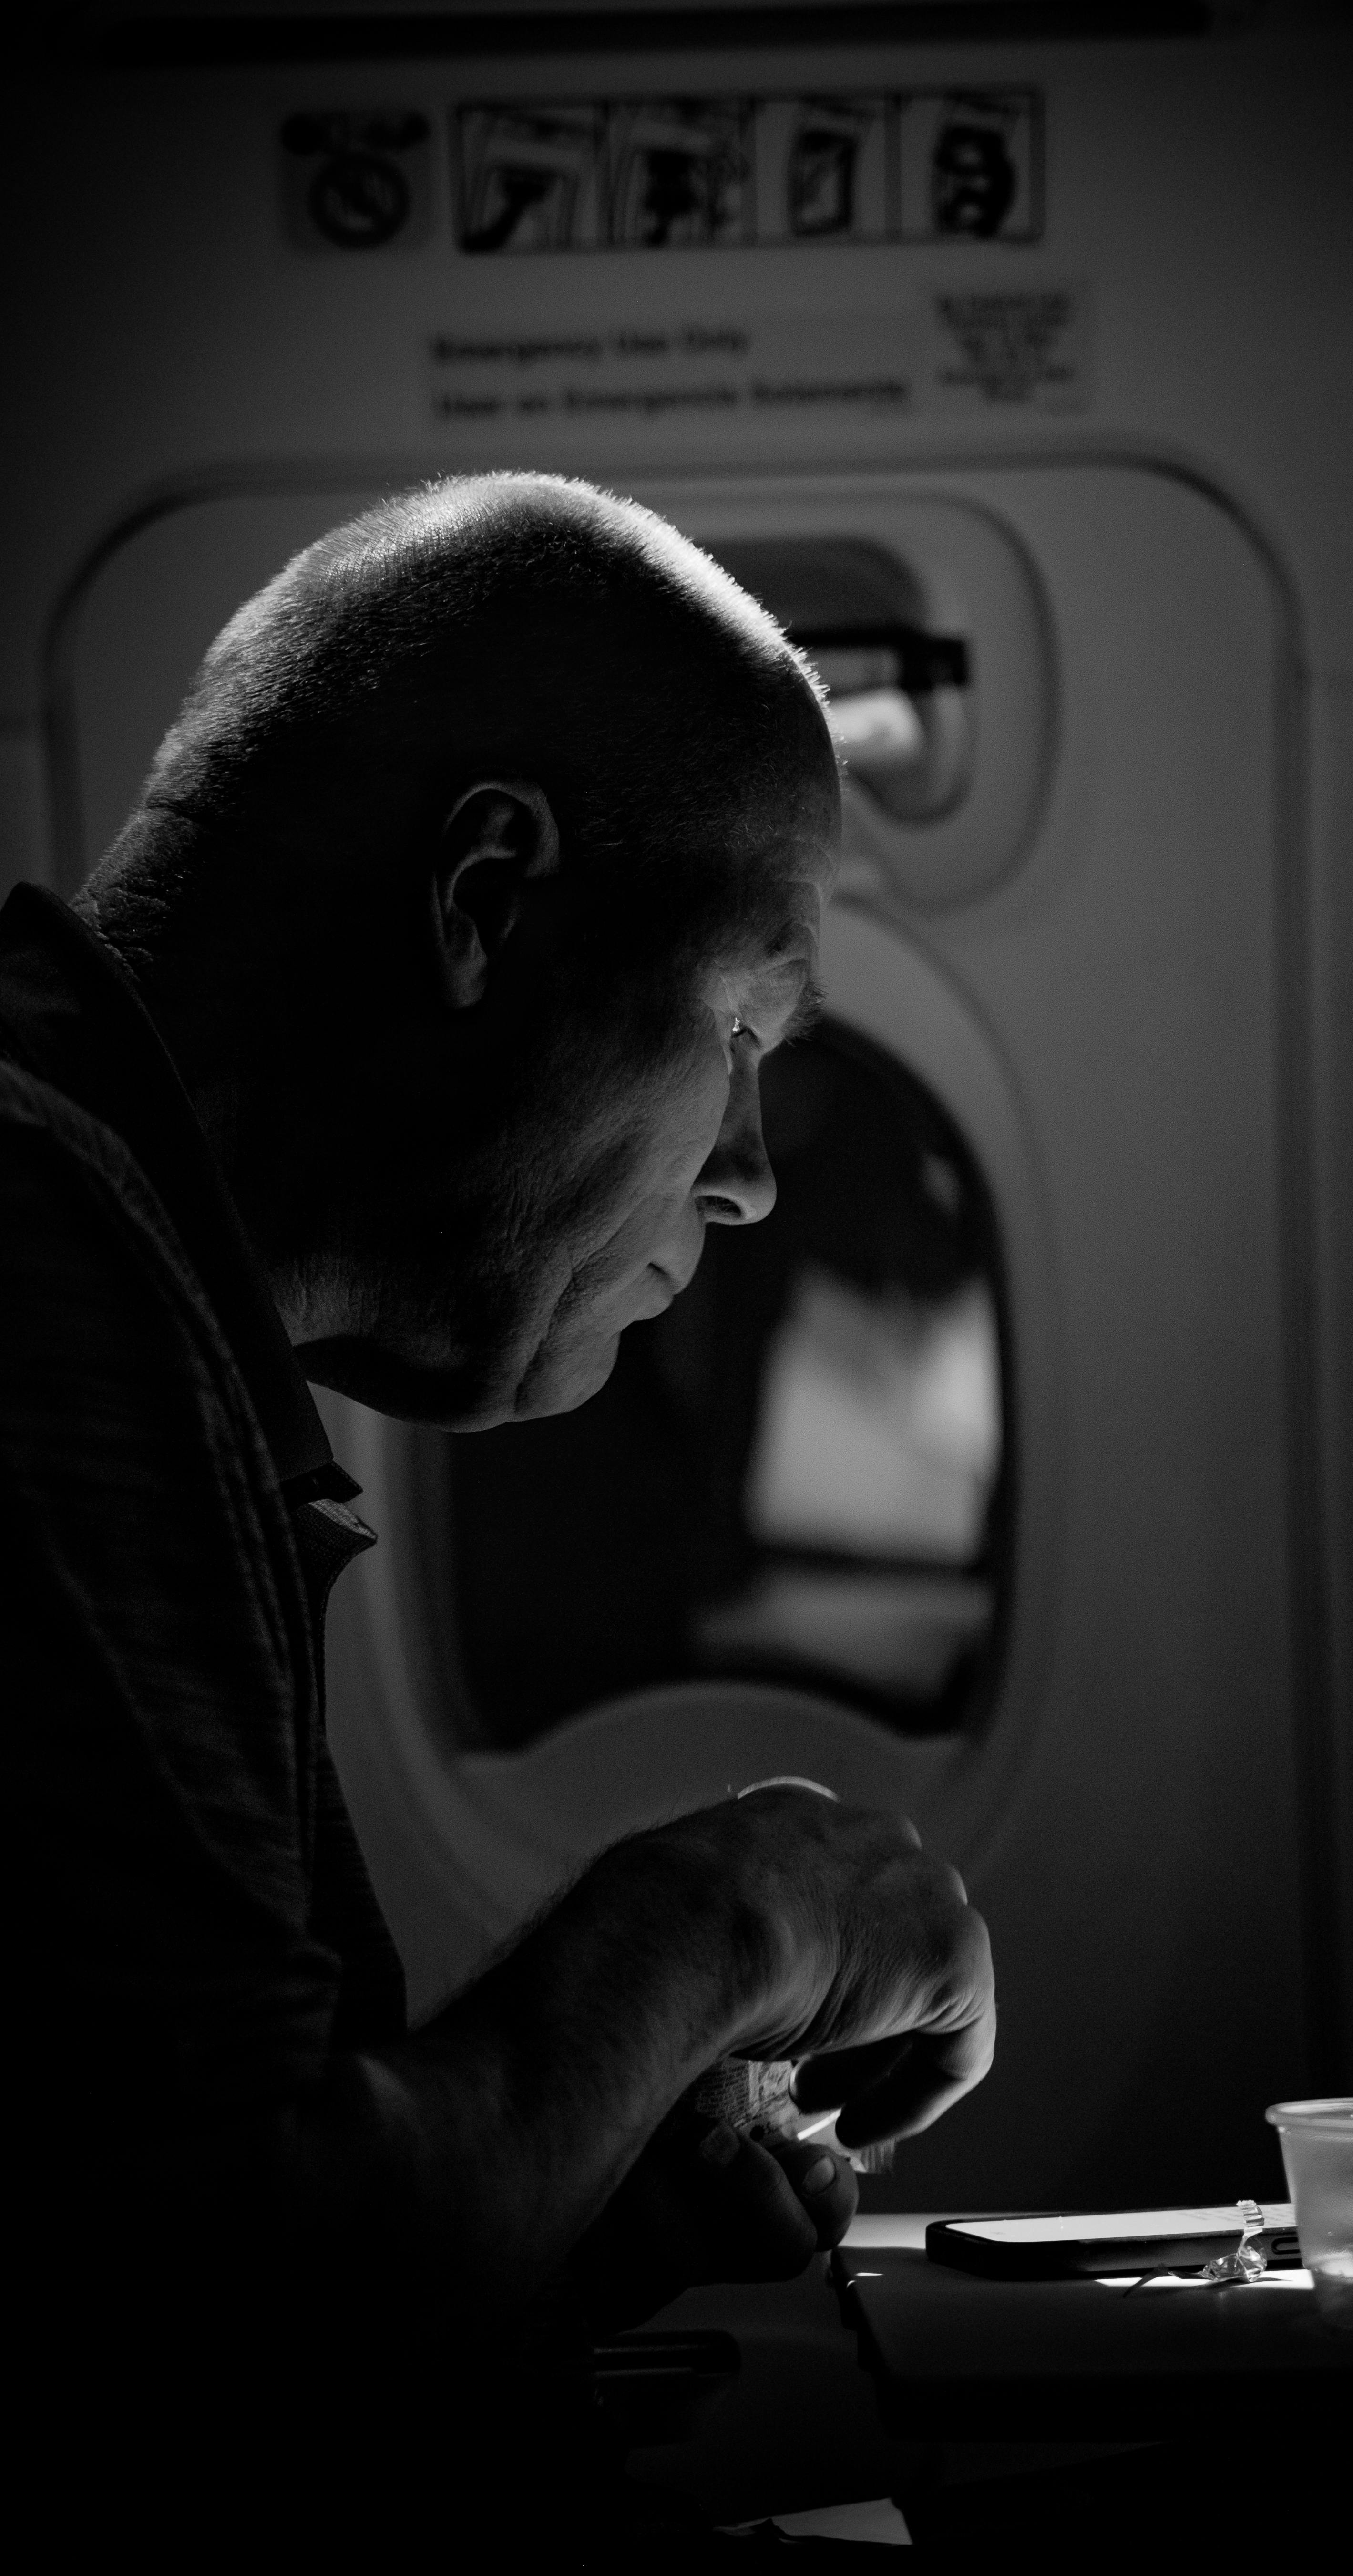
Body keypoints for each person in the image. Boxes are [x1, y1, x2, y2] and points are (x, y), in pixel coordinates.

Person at [0, 474, 994, 2547]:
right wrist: (742, 1916)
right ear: (489, 901)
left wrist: (575, 2184)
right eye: (739, 1031)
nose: (745, 1176)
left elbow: (131, 2238)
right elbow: (233, 2349)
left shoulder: (142, 1301)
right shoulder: (38, 1266)